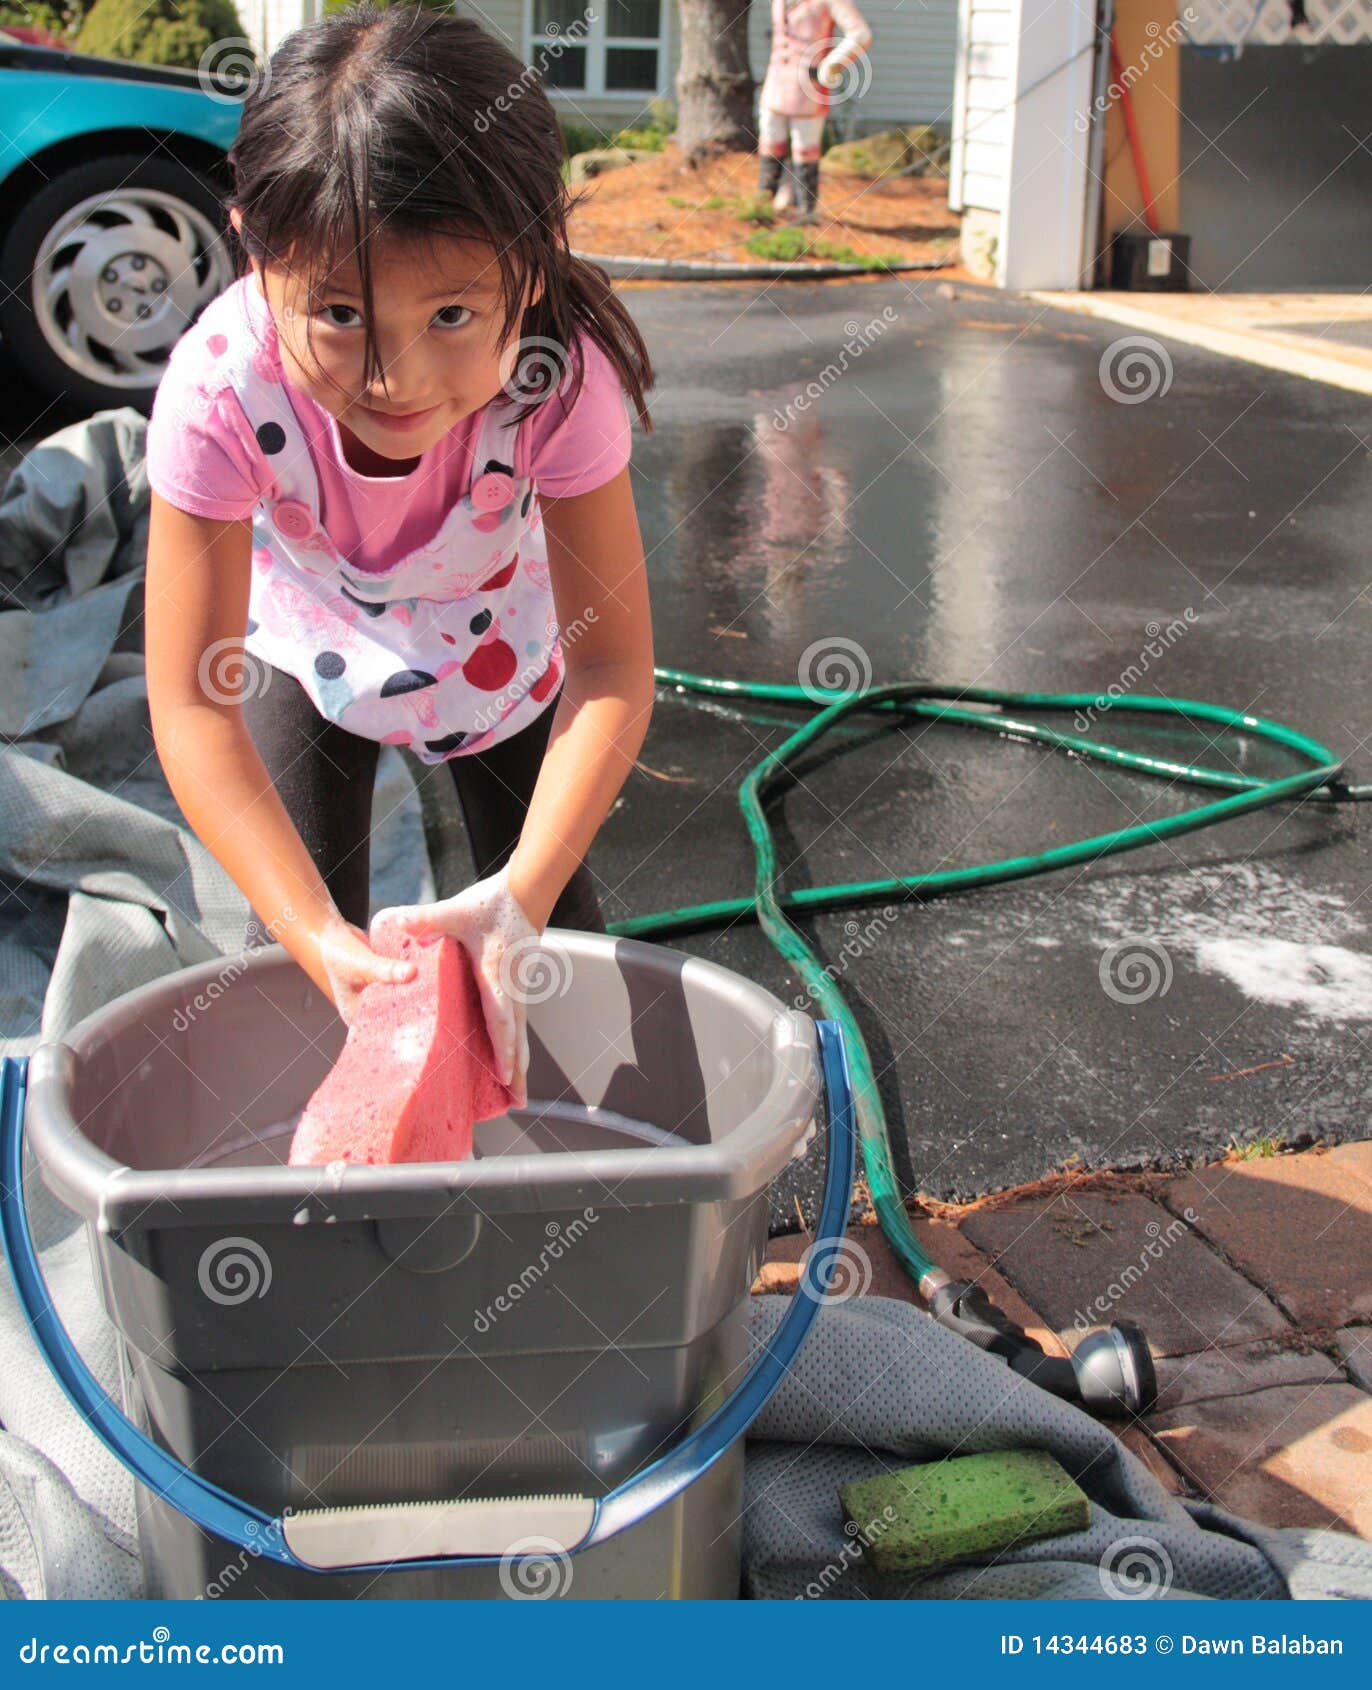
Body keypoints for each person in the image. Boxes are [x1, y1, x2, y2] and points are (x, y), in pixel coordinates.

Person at [143, 2, 657, 1107]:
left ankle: (588, 1173)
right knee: (290, 965)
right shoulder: (219, 392)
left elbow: (612, 667)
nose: (396, 380)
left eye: (453, 315)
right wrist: (313, 933)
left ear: (532, 263)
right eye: (338, 312)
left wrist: (522, 893)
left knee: (553, 960)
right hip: (307, 642)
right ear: (254, 244)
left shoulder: (557, 384)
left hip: (501, 647)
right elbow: (190, 704)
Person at [757, 0, 873, 224]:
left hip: (807, 87)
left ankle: (805, 211)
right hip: (776, 82)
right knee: (770, 141)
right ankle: (763, 204)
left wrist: (832, 63)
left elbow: (860, 34)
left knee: (805, 148)